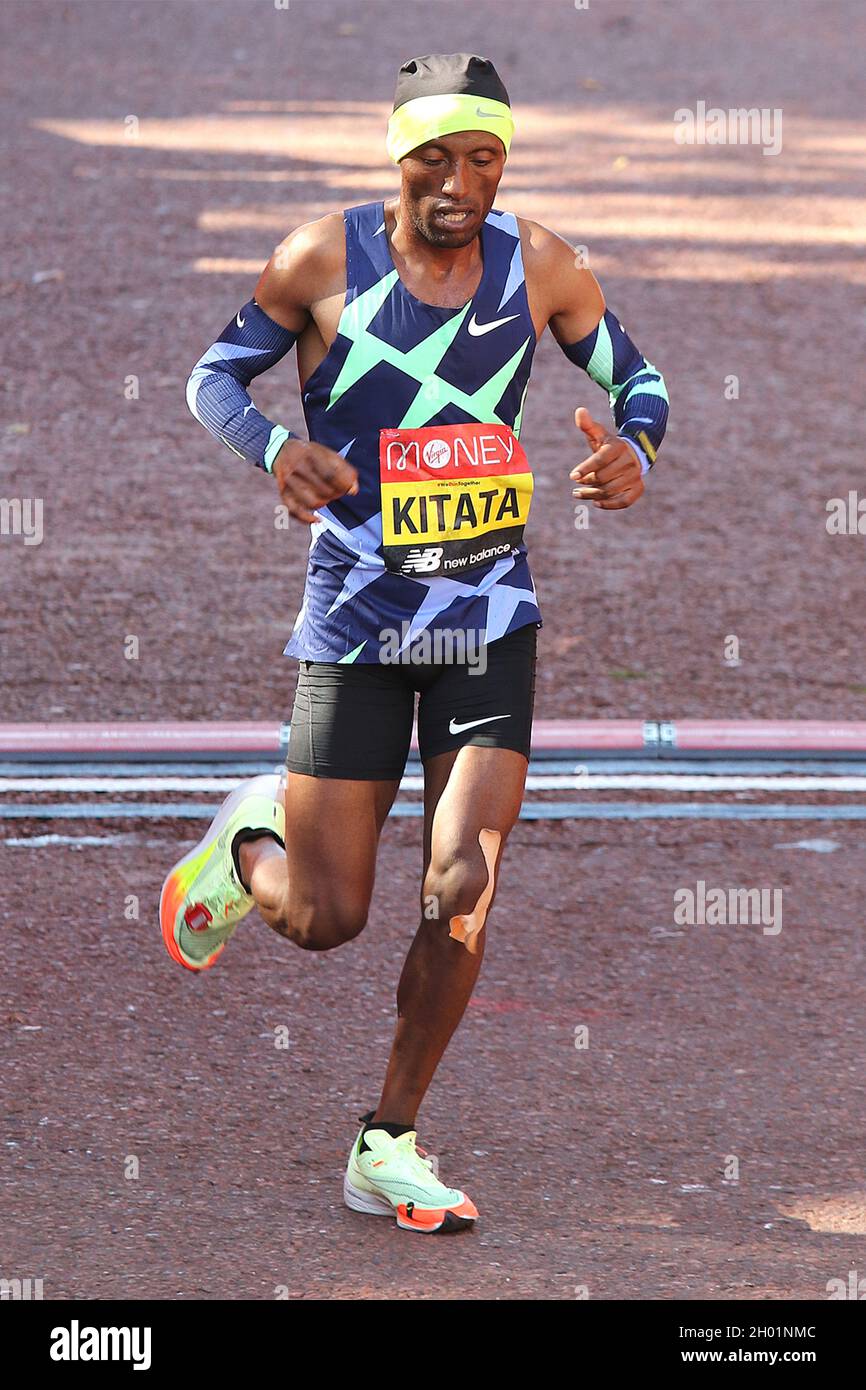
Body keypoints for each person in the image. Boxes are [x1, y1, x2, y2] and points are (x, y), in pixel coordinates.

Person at [162, 53, 669, 1235]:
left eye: (481, 156)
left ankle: (384, 1138)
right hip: (357, 613)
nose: (457, 181)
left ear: (503, 160)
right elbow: (210, 378)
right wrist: (270, 448)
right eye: (432, 156)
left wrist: (635, 448)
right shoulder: (319, 258)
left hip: (488, 610)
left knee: (462, 881)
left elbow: (635, 379)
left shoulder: (538, 264)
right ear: (396, 156)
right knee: (327, 915)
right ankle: (247, 850)